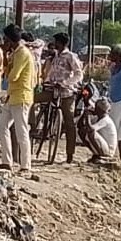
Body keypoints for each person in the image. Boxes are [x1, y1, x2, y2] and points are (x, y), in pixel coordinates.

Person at [29, 32, 84, 163]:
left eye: (56, 42)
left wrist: (65, 83)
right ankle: (33, 126)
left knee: (69, 122)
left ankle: (70, 154)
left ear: (62, 43)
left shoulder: (71, 56)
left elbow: (79, 74)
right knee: (31, 99)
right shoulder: (56, 56)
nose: (54, 45)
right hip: (52, 90)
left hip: (66, 93)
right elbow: (51, 73)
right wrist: (46, 82)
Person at [0, 24, 35, 173]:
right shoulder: (15, 53)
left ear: (10, 39)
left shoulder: (23, 53)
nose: (4, 41)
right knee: (2, 126)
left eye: (5, 39)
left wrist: (8, 70)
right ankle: (7, 162)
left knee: (21, 132)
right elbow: (6, 72)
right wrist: (5, 55)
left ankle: (26, 165)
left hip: (22, 97)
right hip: (12, 96)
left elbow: (13, 76)